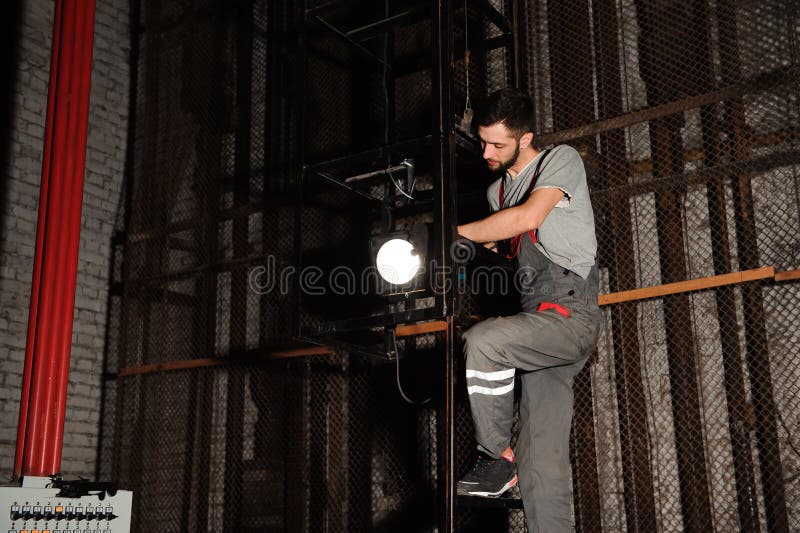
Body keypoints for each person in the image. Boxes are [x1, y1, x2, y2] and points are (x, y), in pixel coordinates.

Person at [456, 88, 602, 532]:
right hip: (535, 321)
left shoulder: (559, 160)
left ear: (525, 139)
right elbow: (501, 240)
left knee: (484, 341)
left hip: (570, 312)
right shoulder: (497, 190)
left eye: (497, 144)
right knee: (541, 460)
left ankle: (495, 458)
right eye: (482, 142)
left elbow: (528, 219)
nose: (486, 152)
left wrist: (453, 231)